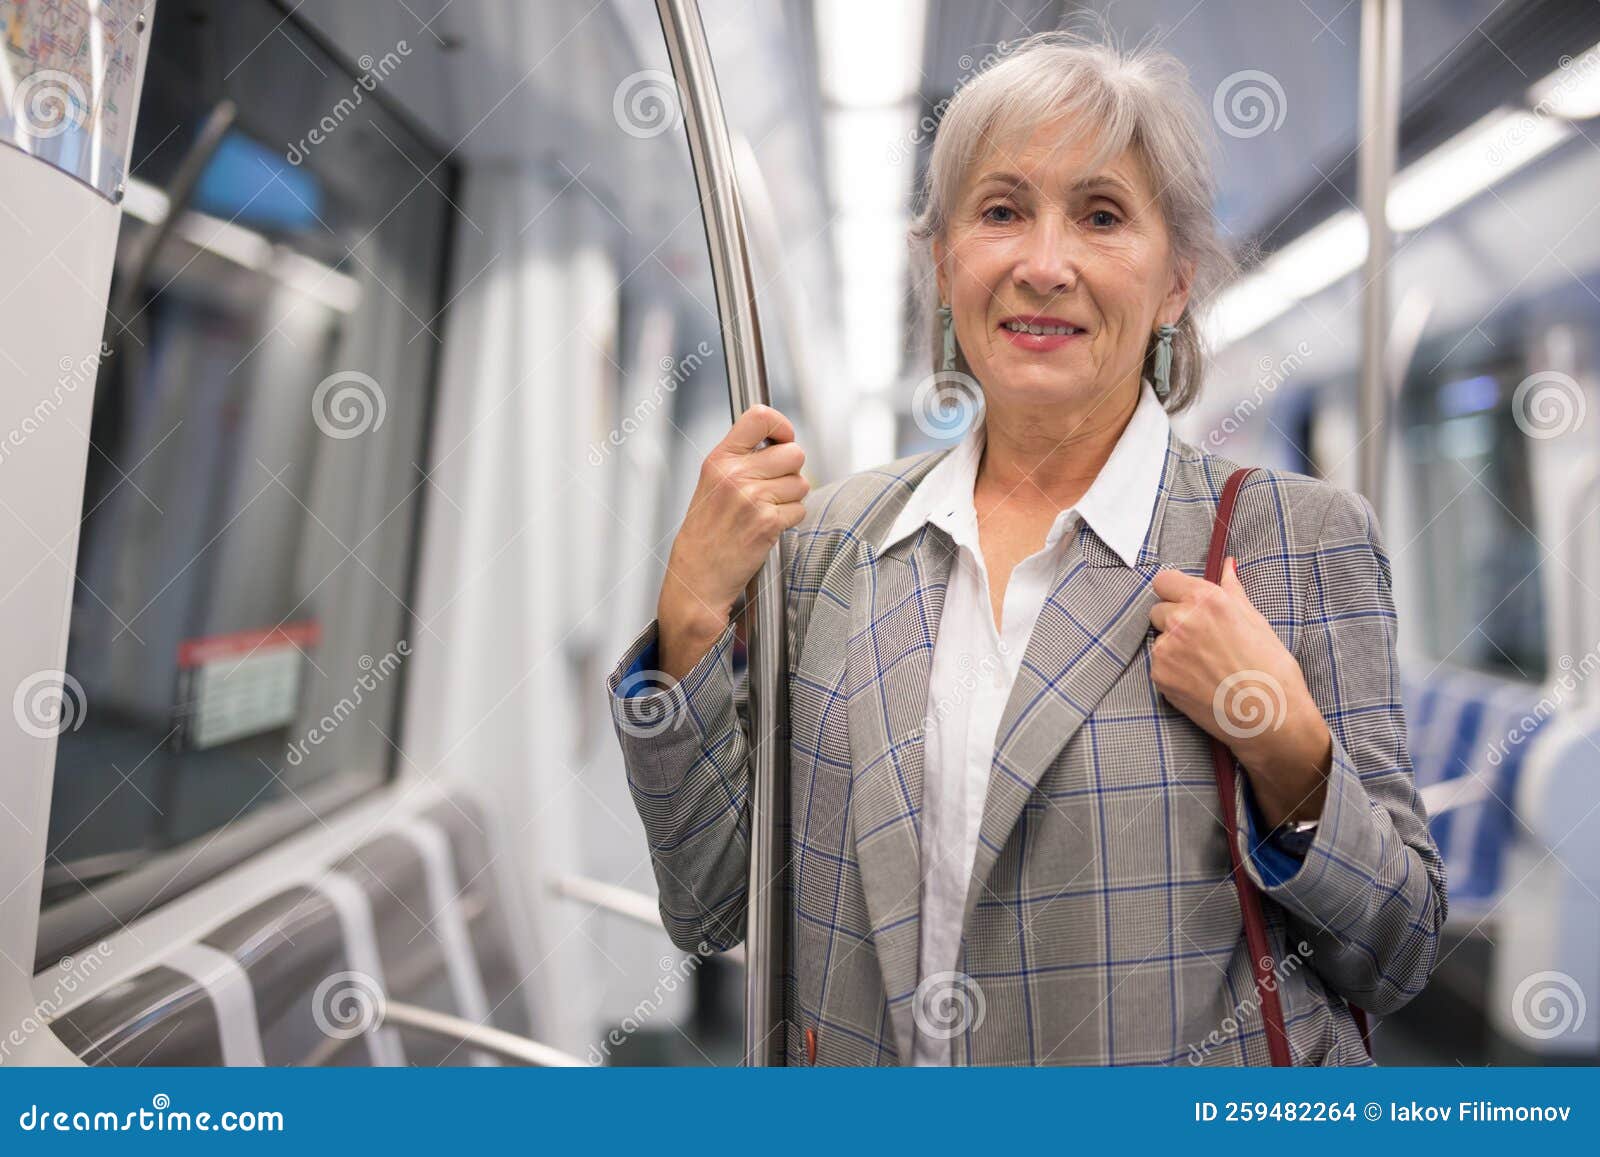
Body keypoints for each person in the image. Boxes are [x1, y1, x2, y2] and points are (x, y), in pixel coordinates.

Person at [608, 29, 1445, 1066]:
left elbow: (1398, 949)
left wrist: (1284, 745)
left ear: (1174, 279)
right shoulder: (827, 543)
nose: (1044, 265)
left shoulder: (1298, 540)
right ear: (943, 262)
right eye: (1002, 211)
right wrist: (689, 622)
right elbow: (712, 904)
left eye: (1100, 217)